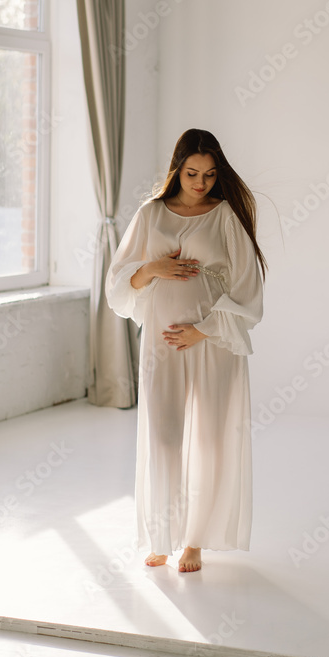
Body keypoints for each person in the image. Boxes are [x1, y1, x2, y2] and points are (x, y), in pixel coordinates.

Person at [105, 128, 267, 573]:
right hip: (162, 344)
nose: (201, 183)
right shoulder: (151, 214)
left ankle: (194, 540)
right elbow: (118, 284)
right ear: (177, 169)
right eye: (192, 173)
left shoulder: (225, 216)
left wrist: (205, 330)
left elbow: (249, 291)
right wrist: (151, 268)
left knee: (211, 438)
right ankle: (162, 533)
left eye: (210, 175)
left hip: (213, 342)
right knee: (163, 435)